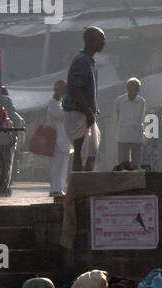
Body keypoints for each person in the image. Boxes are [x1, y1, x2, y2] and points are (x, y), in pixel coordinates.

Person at [62, 26, 106, 173]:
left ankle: (84, 185)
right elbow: (75, 88)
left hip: (85, 113)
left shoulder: (89, 61)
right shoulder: (82, 60)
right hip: (78, 113)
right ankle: (78, 188)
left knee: (91, 152)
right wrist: (87, 110)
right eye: (101, 39)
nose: (104, 42)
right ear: (90, 40)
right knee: (81, 154)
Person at [0, 78, 21, 195]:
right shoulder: (6, 99)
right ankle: (3, 186)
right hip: (4, 137)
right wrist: (17, 129)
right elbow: (13, 116)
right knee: (5, 163)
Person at [46, 80, 73, 197]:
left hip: (65, 139)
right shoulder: (52, 103)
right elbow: (63, 116)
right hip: (57, 138)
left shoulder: (62, 103)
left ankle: (60, 189)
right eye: (60, 90)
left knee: (63, 165)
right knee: (57, 165)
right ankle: (55, 189)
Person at [114, 77, 148, 167]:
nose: (137, 90)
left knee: (136, 163)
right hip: (123, 135)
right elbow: (116, 117)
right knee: (122, 163)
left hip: (136, 135)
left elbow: (142, 118)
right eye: (135, 88)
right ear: (128, 88)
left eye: (138, 88)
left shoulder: (141, 101)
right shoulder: (119, 101)